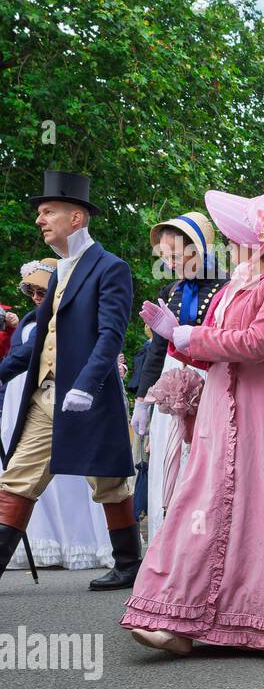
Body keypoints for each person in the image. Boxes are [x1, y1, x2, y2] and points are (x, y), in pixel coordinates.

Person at [123, 186, 264, 655]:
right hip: (224, 402)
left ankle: (259, 618)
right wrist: (174, 340)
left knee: (258, 506)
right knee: (202, 501)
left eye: (238, 233)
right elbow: (216, 347)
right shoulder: (238, 282)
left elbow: (258, 343)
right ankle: (176, 617)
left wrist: (187, 333)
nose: (230, 240)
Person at [0, 171, 139, 589]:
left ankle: (129, 564)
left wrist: (86, 384)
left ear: (76, 218)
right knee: (18, 477)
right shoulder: (58, 273)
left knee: (110, 482)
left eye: (48, 212)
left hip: (89, 396)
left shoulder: (111, 268)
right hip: (44, 396)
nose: (40, 220)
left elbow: (110, 335)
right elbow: (37, 342)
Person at [0, 259, 112, 570]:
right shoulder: (30, 318)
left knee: (100, 479)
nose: (37, 296)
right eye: (32, 291)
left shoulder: (70, 314)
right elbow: (20, 353)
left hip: (71, 400)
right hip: (28, 398)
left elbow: (29, 352)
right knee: (18, 476)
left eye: (42, 290)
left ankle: (121, 558)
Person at [132, 212, 225, 536]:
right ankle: (167, 543)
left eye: (174, 254)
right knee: (166, 465)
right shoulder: (171, 290)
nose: (168, 261)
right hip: (170, 386)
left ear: (197, 249)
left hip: (210, 382)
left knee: (201, 465)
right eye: (165, 255)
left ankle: (199, 545)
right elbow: (157, 349)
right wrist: (143, 399)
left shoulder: (226, 286)